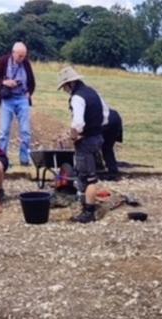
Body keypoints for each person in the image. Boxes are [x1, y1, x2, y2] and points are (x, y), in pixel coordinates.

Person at [57, 66, 109, 224]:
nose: (65, 90)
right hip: (97, 137)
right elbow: (105, 115)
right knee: (88, 174)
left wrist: (73, 137)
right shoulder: (93, 92)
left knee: (88, 178)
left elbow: (78, 122)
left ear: (70, 83)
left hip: (86, 141)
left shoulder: (77, 97)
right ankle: (87, 205)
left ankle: (88, 212)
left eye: (65, 86)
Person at [0, 42, 35, 166]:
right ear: (13, 53)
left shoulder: (26, 63)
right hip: (7, 99)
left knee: (26, 131)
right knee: (3, 132)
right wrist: (5, 82)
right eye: (20, 56)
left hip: (22, 98)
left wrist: (29, 93)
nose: (22, 58)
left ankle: (24, 159)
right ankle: (2, 159)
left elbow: (32, 81)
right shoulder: (3, 61)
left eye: (24, 56)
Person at [101, 108, 123, 181]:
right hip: (115, 119)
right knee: (107, 148)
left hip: (105, 121)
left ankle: (90, 171)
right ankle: (113, 173)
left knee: (90, 146)